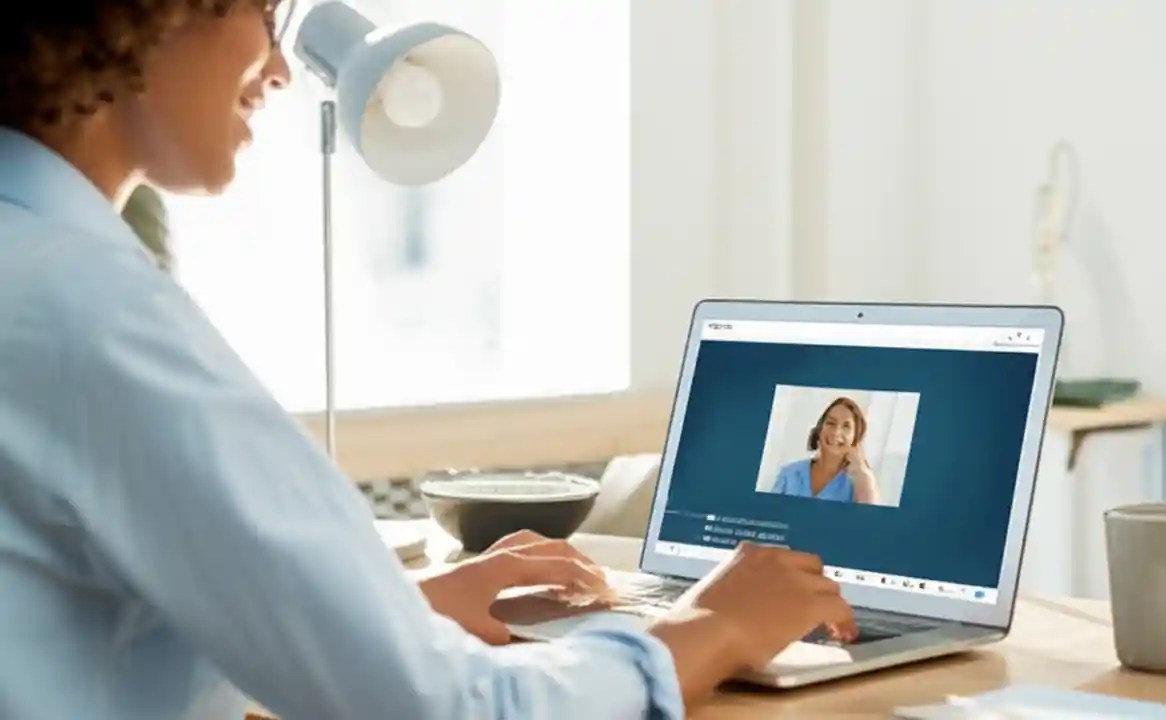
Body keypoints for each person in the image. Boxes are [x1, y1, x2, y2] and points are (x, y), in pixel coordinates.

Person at [0, 2, 856, 719]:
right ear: (144, 13)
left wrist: (381, 615)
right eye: (265, 8)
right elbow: (445, 710)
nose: (280, 70)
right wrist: (707, 630)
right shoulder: (94, 314)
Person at [771, 397, 883, 504]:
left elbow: (870, 519)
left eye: (846, 426)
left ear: (855, 438)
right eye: (831, 423)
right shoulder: (789, 474)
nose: (836, 432)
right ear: (820, 429)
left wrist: (861, 470)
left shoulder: (858, 485)